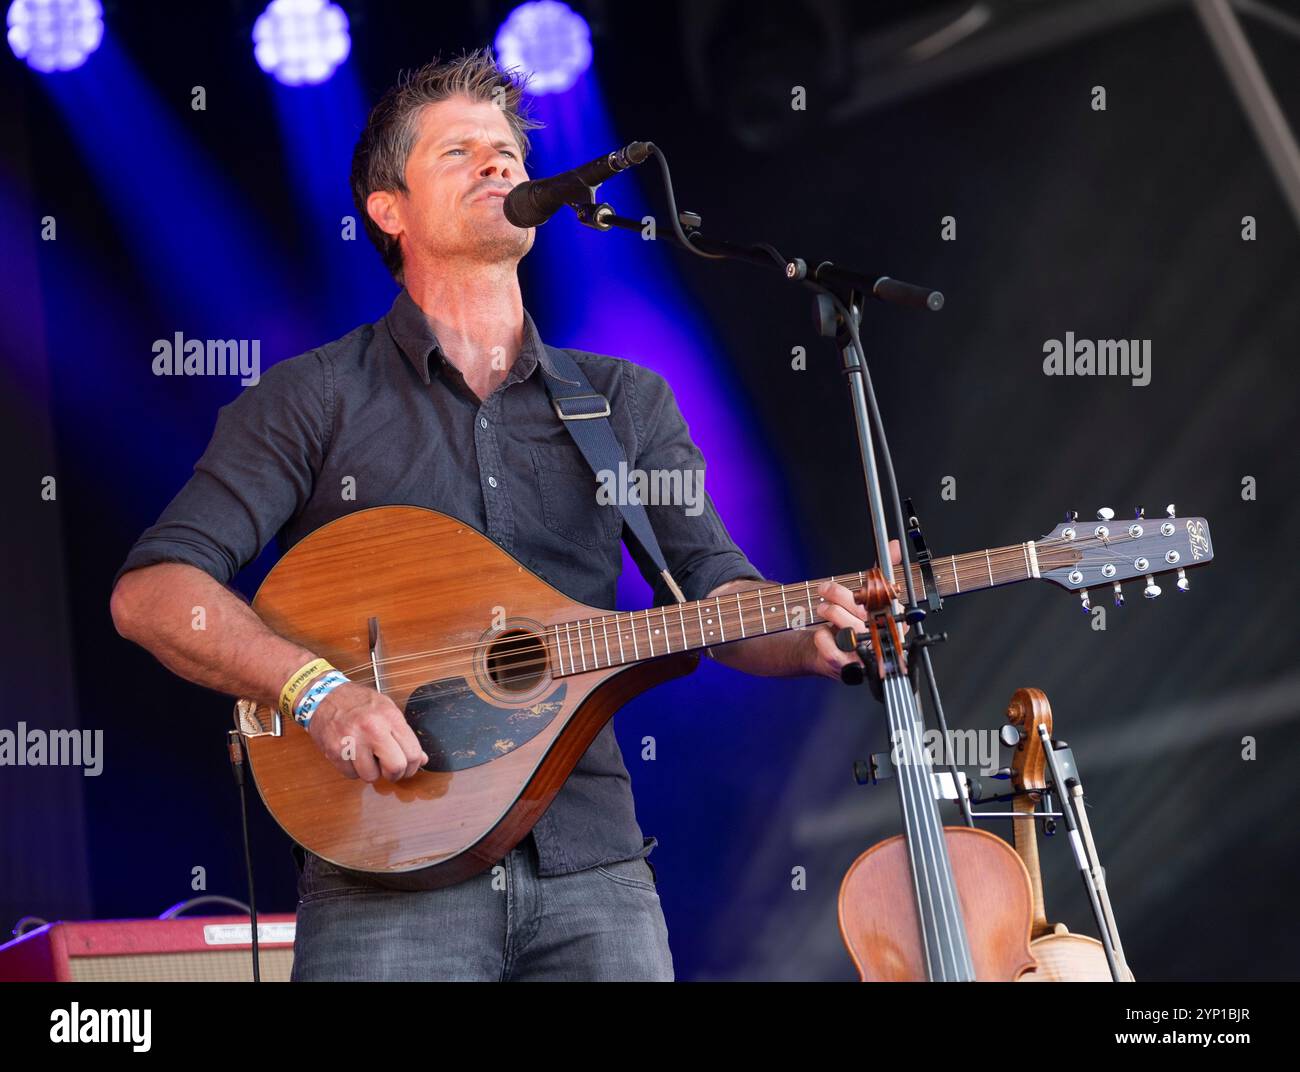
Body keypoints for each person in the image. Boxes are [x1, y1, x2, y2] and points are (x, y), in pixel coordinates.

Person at [110, 48, 882, 982]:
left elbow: (718, 595)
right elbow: (155, 594)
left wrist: (803, 637)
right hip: (383, 876)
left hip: (594, 872)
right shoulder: (312, 399)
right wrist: (321, 693)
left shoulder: (625, 400)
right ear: (386, 211)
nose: (498, 163)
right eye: (459, 152)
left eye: (507, 149)